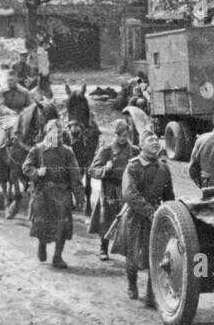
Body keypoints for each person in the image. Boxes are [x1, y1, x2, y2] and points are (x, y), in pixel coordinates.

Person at [113, 129, 175, 304]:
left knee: (156, 255)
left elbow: (169, 196)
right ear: (141, 145)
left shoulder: (163, 168)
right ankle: (132, 285)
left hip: (157, 217)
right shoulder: (133, 166)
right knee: (133, 254)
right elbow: (129, 194)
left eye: (157, 140)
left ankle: (152, 293)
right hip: (136, 215)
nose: (155, 142)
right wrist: (150, 212)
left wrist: (169, 215)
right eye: (150, 140)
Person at [22, 119, 85, 268]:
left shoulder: (67, 152)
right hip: (43, 192)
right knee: (42, 224)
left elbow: (75, 174)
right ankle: (42, 245)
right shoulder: (37, 150)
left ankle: (58, 257)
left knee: (63, 226)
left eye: (60, 135)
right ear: (47, 133)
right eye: (54, 135)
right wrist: (37, 172)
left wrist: (80, 197)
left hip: (62, 192)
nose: (57, 138)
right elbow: (26, 167)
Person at [87, 119, 138, 259]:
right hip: (110, 189)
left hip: (127, 189)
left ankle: (129, 252)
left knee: (129, 219)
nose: (123, 138)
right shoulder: (106, 150)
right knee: (106, 219)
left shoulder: (134, 150)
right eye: (120, 135)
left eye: (125, 135)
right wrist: (105, 169)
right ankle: (103, 249)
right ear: (115, 135)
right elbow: (92, 170)